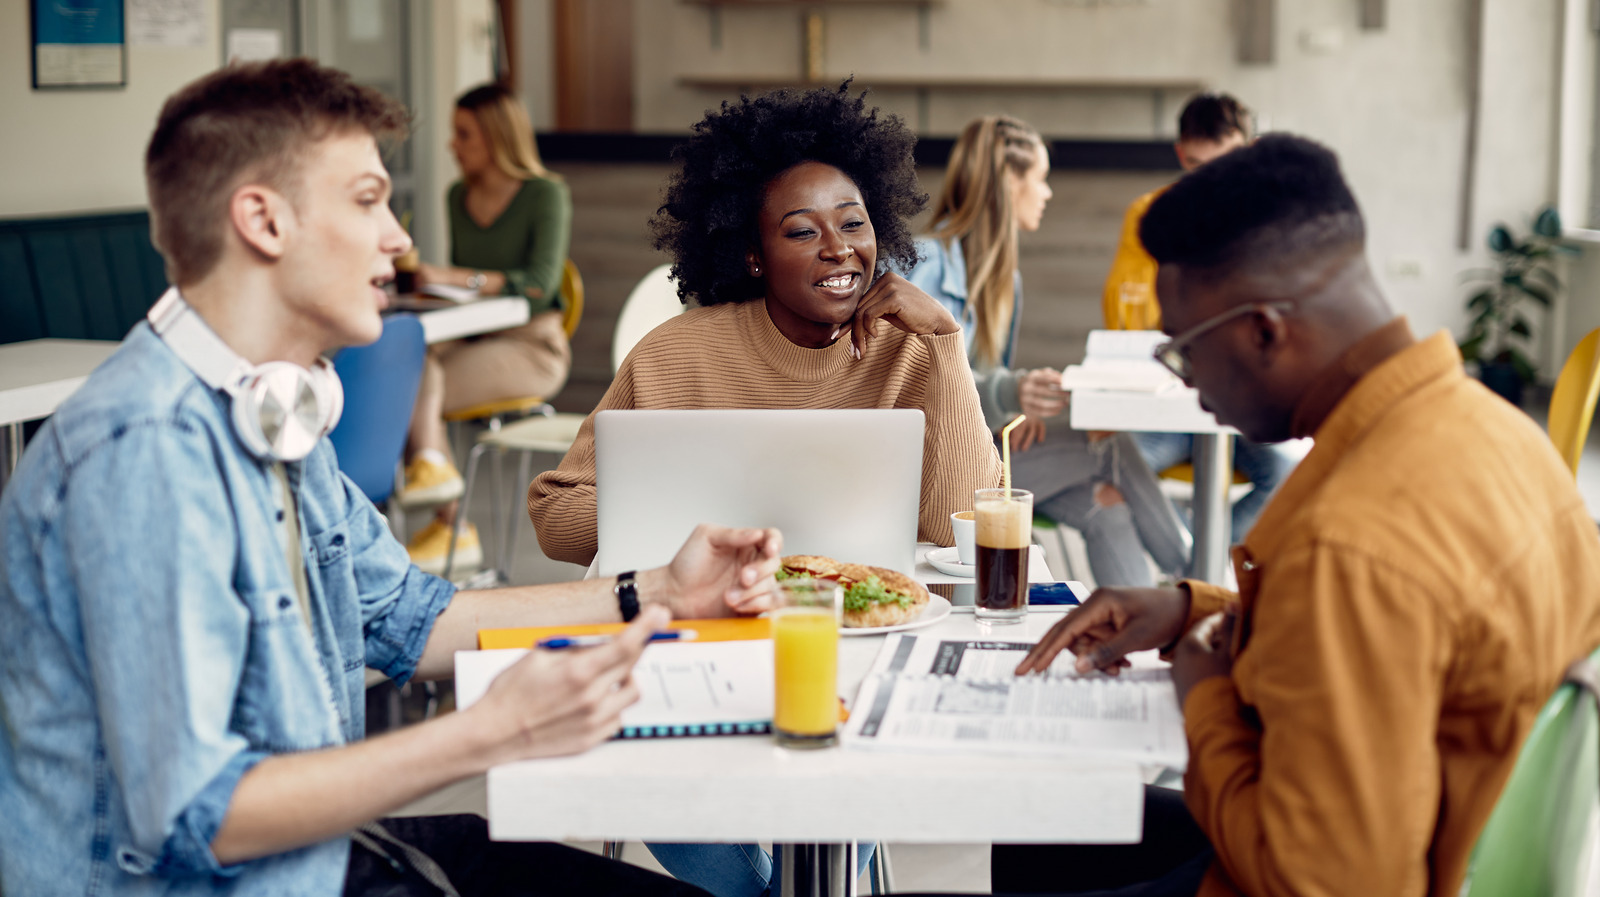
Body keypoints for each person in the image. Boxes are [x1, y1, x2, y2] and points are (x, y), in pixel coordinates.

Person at [0, 59, 785, 897]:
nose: (399, 239)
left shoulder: (277, 414)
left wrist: (660, 589)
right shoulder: (145, 453)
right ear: (263, 220)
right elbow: (202, 811)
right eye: (368, 199)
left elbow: (411, 617)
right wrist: (490, 731)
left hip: (319, 858)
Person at [995, 135, 1600, 896]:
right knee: (1037, 823)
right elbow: (1399, 636)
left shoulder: (1350, 538)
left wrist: (1205, 690)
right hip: (1420, 839)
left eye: (1183, 351)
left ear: (1265, 330)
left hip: (1309, 871)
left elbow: (1322, 881)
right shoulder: (1500, 434)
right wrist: (1195, 607)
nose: (1187, 383)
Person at [528, 83, 1001, 569]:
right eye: (802, 230)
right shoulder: (671, 356)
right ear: (753, 256)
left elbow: (961, 531)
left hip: (869, 614)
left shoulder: (917, 350)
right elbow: (556, 515)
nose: (839, 248)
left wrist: (947, 340)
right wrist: (718, 527)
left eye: (853, 223)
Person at [906, 115, 1189, 588]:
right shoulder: (924, 264)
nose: (1048, 193)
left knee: (1108, 507)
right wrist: (1011, 390)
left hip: (991, 453)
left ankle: (1123, 643)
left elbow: (986, 380)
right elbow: (912, 381)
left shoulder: (1005, 284)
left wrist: (1017, 405)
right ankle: (1200, 582)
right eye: (1040, 179)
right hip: (939, 469)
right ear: (1011, 183)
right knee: (1111, 447)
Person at [1101, 93, 1295, 543]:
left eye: (1221, 163)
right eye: (1196, 163)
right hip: (1167, 406)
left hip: (1242, 414)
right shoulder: (1150, 215)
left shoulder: (1273, 221)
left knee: (1288, 471)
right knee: (1112, 473)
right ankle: (1193, 561)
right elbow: (1127, 319)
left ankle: (1203, 559)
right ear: (1180, 155)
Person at [400, 83, 574, 574]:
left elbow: (538, 286)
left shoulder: (546, 195)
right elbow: (475, 291)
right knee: (408, 362)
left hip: (532, 347)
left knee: (406, 391)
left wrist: (450, 277)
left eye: (464, 135)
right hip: (476, 338)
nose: (453, 146)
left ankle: (450, 525)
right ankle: (445, 520)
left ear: (497, 139)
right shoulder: (459, 196)